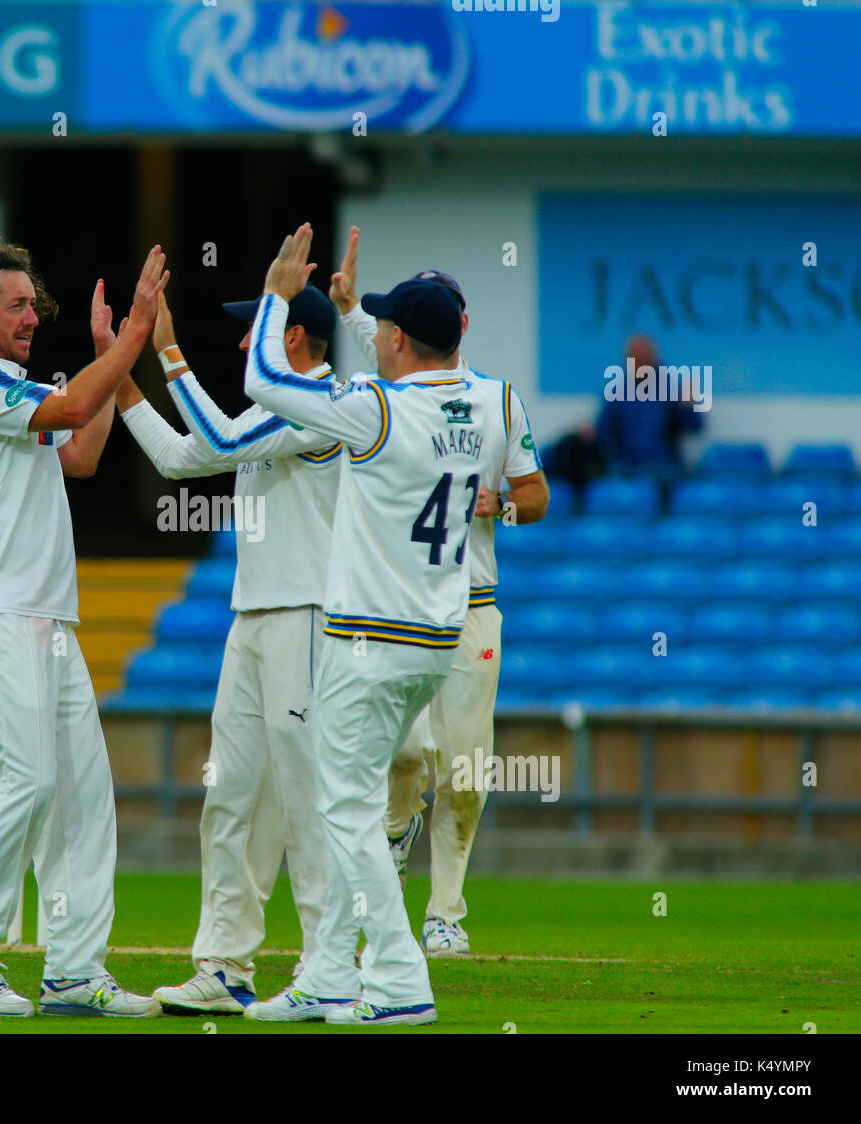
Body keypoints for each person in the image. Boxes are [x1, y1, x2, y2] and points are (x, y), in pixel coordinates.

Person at [240, 224, 511, 1027]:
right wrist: (356, 315)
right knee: (352, 805)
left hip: (371, 638)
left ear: (395, 339)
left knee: (346, 814)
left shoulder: (376, 409)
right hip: (433, 637)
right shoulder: (484, 407)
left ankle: (396, 982)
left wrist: (275, 296)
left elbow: (262, 381)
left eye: (384, 328)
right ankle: (327, 977)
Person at [0, 237, 168, 1019]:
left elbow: (79, 454)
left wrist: (111, 357)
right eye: (16, 306)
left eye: (34, 304)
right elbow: (69, 409)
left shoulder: (11, 388)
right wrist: (134, 334)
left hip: (45, 615)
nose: (33, 317)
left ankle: (72, 971)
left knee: (83, 798)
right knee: (21, 782)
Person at [117, 285, 340, 1014]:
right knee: (232, 797)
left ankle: (325, 969)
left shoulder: (327, 405)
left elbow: (211, 443)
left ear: (296, 336)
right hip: (252, 620)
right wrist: (118, 375)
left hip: (309, 617)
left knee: (307, 798)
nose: (246, 344)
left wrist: (167, 348)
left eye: (257, 332)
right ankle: (224, 966)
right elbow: (186, 459)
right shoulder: (267, 411)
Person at [329, 227, 548, 958]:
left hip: (472, 603)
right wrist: (346, 303)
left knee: (465, 768)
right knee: (398, 755)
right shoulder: (398, 387)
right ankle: (393, 834)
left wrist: (501, 506)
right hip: (399, 604)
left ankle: (445, 910)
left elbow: (536, 495)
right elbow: (377, 340)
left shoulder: (496, 400)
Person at [595, 333, 703, 496]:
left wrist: (688, 408)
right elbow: (603, 433)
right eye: (635, 359)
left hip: (664, 466)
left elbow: (695, 427)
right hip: (626, 466)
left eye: (644, 358)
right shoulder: (616, 391)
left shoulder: (671, 388)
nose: (640, 364)